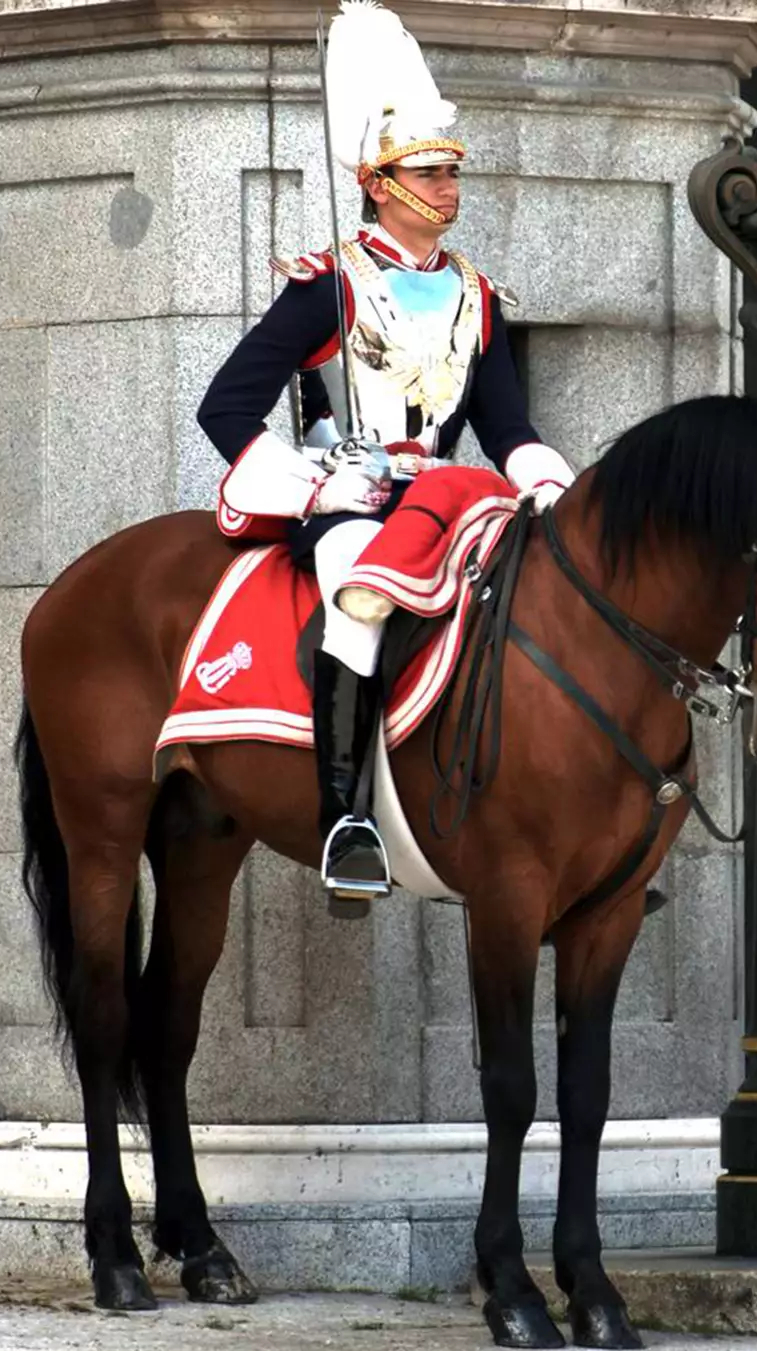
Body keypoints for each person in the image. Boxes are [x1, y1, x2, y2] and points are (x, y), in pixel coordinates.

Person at [196, 0, 575, 908]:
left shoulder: (477, 296)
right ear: (380, 181)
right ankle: (346, 819)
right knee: (360, 599)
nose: (449, 190)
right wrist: (313, 480)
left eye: (451, 173)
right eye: (430, 174)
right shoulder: (329, 284)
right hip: (351, 502)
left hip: (449, 496)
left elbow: (507, 429)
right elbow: (227, 406)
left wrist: (551, 480)